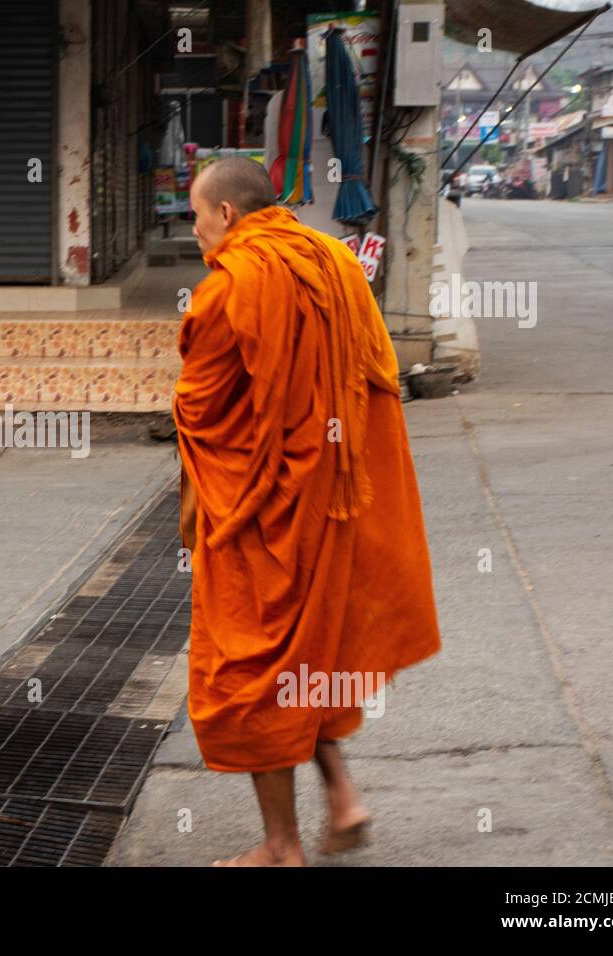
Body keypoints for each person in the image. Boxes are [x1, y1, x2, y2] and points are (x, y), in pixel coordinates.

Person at [174, 158, 441, 866]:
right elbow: (377, 378)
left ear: (227, 215)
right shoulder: (332, 259)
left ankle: (283, 845)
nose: (194, 231)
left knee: (252, 667)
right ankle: (344, 800)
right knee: (306, 657)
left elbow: (202, 405)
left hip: (263, 510)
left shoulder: (234, 283)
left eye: (197, 216)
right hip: (335, 502)